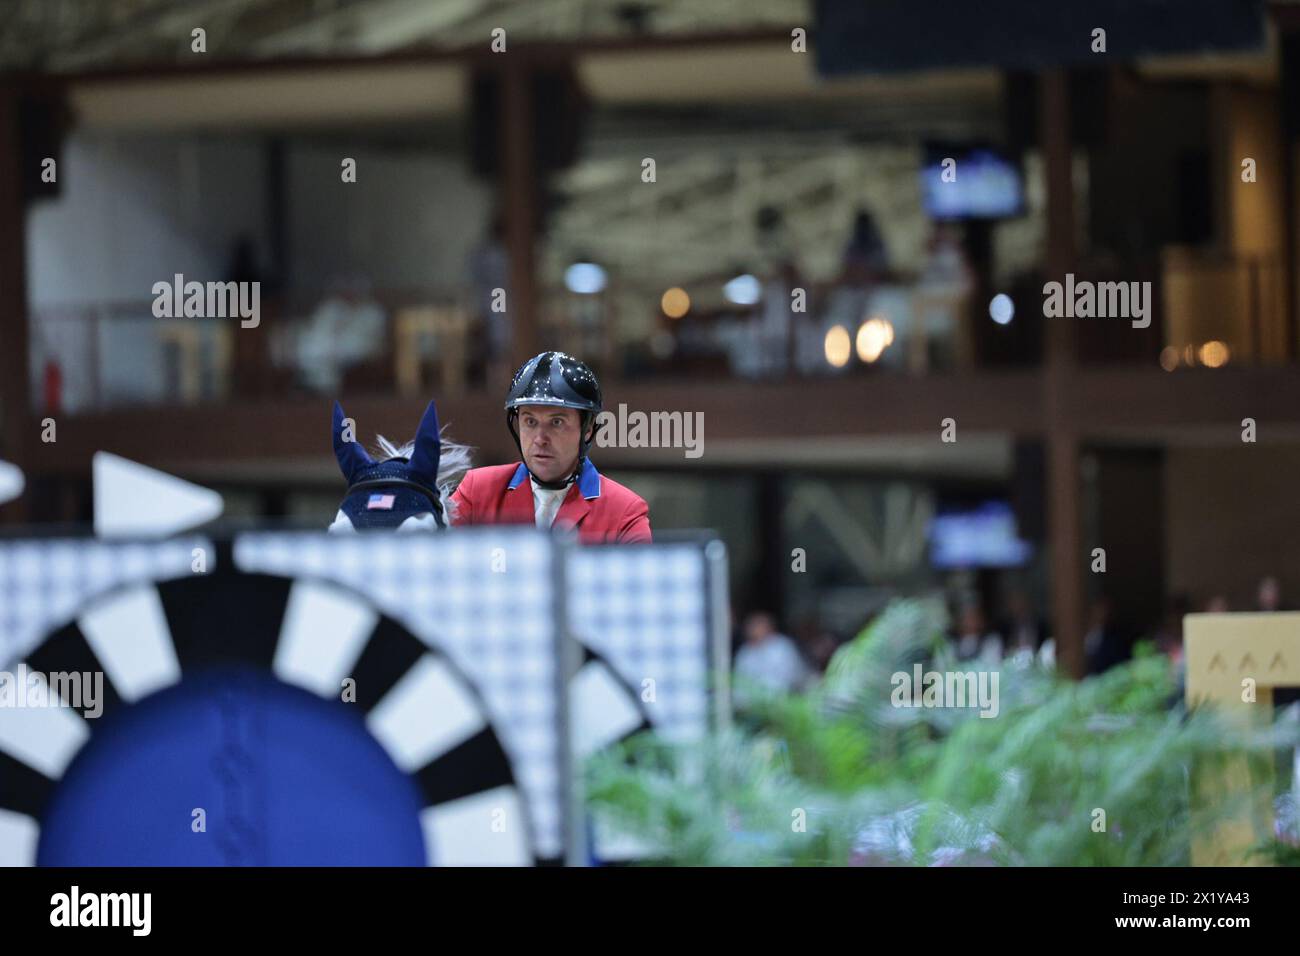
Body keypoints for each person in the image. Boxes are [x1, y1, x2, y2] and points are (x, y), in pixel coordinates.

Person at [450, 351, 651, 542]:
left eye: (556, 422)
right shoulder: (476, 491)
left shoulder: (625, 512)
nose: (540, 438)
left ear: (588, 428)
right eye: (530, 422)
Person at [733, 611, 811, 703]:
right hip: (750, 703)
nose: (752, 630)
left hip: (780, 700)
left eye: (756, 626)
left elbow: (790, 676)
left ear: (767, 628)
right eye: (750, 626)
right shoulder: (745, 651)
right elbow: (739, 679)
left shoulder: (781, 646)